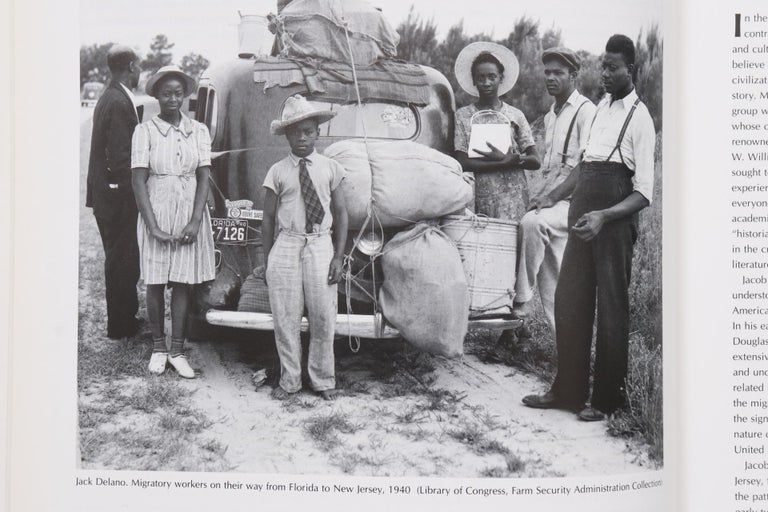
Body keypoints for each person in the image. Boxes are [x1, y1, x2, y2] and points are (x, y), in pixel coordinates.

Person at [522, 35, 656, 421]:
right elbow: (584, 164)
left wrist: (605, 216)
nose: (606, 74)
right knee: (570, 301)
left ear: (631, 70)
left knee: (611, 307)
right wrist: (552, 197)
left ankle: (605, 402)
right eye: (603, 66)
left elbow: (644, 192)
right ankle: (567, 391)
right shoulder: (599, 108)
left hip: (614, 217)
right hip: (583, 210)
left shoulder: (640, 117)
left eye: (613, 67)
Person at [131, 66, 216, 378]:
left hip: (187, 212)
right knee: (155, 280)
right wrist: (153, 226)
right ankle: (158, 347)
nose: (172, 99)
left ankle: (177, 350)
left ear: (186, 96)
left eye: (178, 93)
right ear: (156, 95)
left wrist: (195, 221)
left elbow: (204, 176)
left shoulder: (199, 131)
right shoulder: (145, 131)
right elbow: (138, 181)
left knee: (181, 281)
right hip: (158, 208)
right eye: (166, 93)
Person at [262, 94, 348, 401]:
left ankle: (323, 380)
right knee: (285, 316)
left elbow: (341, 214)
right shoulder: (278, 171)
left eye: (308, 131)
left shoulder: (331, 168)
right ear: (286, 134)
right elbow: (268, 218)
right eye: (295, 131)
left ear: (318, 133)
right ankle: (290, 380)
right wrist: (267, 260)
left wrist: (339, 256)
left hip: (320, 245)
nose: (302, 137)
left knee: (324, 314)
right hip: (287, 244)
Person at [511, 47, 597, 336]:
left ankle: (519, 304)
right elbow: (549, 167)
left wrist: (550, 198)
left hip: (576, 201)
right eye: (547, 72)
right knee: (554, 279)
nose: (550, 77)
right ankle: (569, 348)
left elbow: (585, 167)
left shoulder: (587, 111)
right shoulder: (551, 115)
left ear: (574, 76)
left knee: (531, 224)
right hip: (556, 199)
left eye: (558, 73)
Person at [86, 44, 143, 340]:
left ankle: (124, 318)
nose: (140, 71)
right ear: (131, 66)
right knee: (121, 259)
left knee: (121, 257)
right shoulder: (118, 102)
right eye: (140, 66)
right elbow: (121, 158)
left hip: (108, 195)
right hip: (117, 197)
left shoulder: (111, 96)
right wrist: (134, 193)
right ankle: (120, 326)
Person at [453, 42, 541, 223]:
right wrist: (504, 162)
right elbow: (461, 161)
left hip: (514, 196)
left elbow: (535, 160)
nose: (486, 82)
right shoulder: (463, 116)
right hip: (479, 195)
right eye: (481, 77)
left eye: (492, 77)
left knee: (512, 244)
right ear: (474, 80)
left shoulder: (515, 115)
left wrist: (515, 159)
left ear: (501, 78)